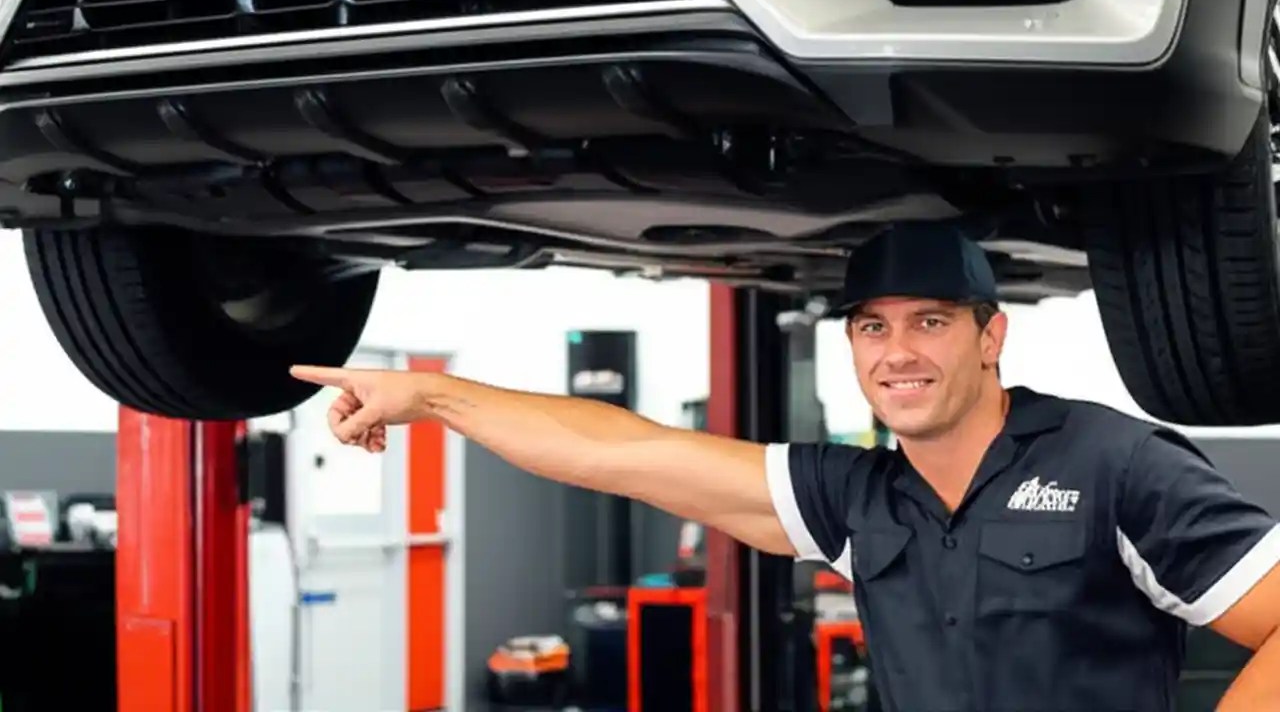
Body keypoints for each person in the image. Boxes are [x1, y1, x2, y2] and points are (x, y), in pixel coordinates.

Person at [289, 226, 1280, 711]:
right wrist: (433, 398)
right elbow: (623, 452)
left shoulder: (1111, 462)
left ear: (990, 337)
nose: (898, 352)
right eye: (872, 328)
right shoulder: (855, 497)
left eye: (931, 322)